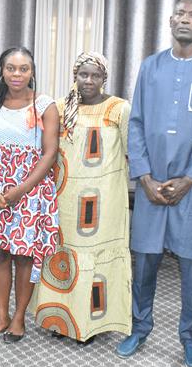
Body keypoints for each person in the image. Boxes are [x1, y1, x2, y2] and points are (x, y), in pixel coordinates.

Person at [116, 0, 192, 367]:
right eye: (180, 15)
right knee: (146, 259)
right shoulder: (151, 66)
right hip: (152, 182)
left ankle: (190, 339)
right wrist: (145, 177)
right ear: (170, 21)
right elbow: (135, 122)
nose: (186, 20)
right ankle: (139, 327)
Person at [31, 52, 131, 344]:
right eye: (83, 74)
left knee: (94, 259)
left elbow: (129, 152)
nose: (89, 80)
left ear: (104, 78)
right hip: (65, 195)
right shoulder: (60, 108)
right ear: (74, 76)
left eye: (95, 75)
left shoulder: (118, 108)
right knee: (64, 254)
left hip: (104, 200)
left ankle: (88, 323)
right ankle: (59, 318)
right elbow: (46, 150)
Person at [0, 47, 59, 342]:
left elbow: (50, 153)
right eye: (11, 68)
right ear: (2, 71)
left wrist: (21, 189)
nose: (17, 74)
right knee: (0, 254)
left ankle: (19, 319)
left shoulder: (45, 105)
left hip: (29, 191)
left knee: (23, 256)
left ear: (32, 71)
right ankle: (1, 315)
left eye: (24, 68)